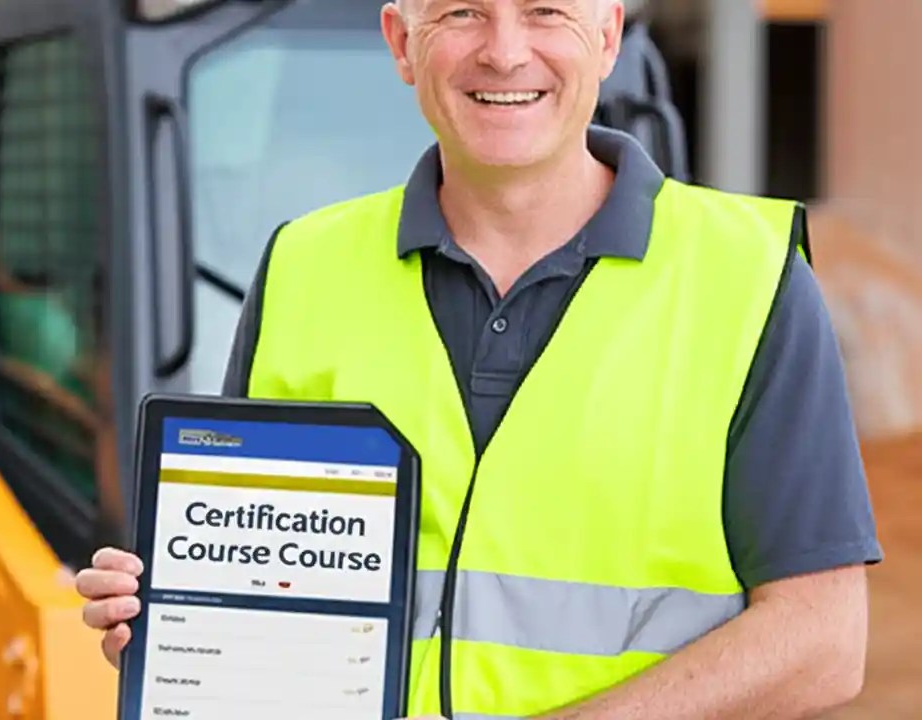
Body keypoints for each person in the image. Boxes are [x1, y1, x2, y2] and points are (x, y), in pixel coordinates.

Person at [75, 0, 883, 718]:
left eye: (544, 12)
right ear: (401, 43)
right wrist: (180, 632)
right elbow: (268, 605)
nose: (503, 51)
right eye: (461, 13)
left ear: (606, 37)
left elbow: (823, 639)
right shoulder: (302, 268)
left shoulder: (749, 277)